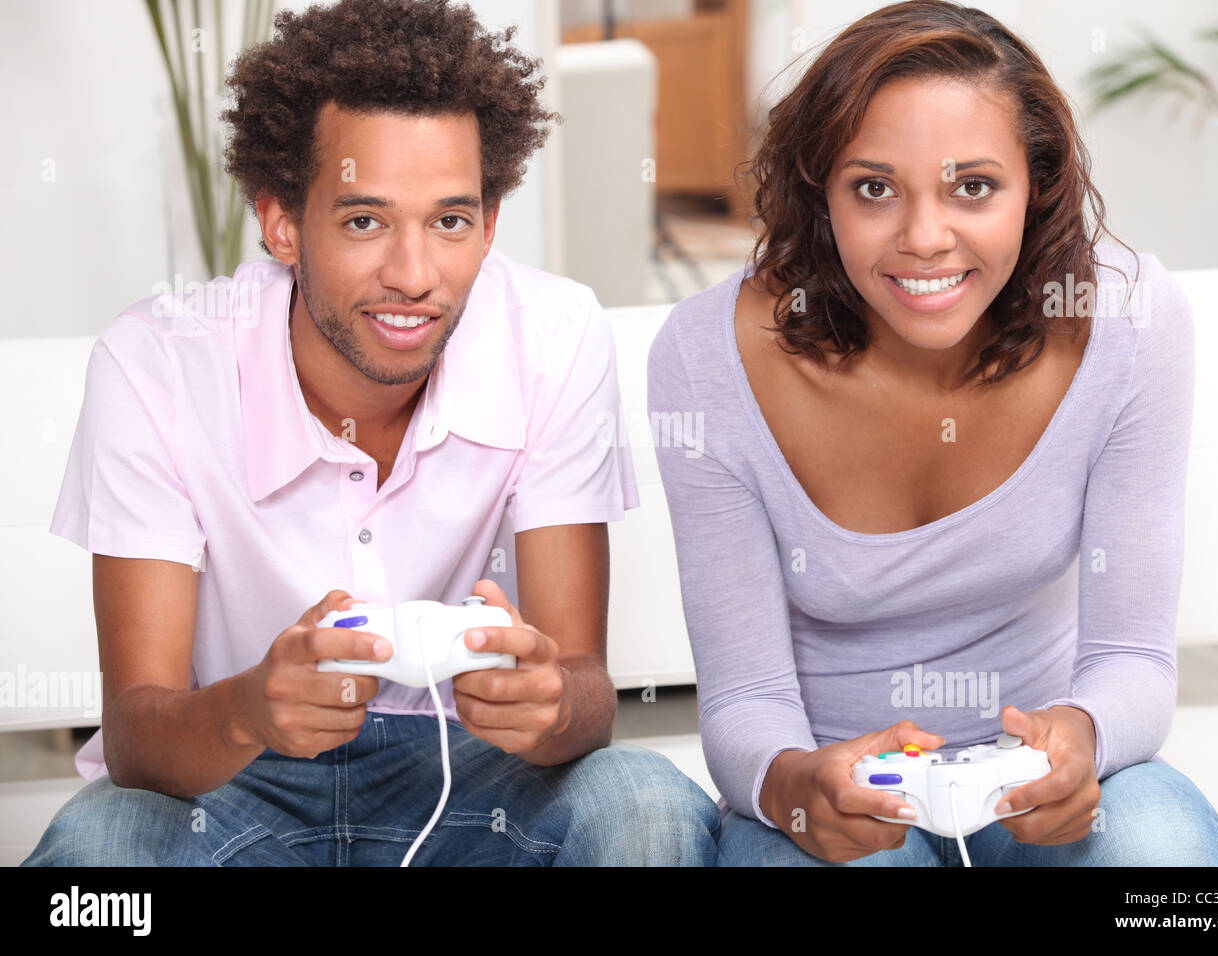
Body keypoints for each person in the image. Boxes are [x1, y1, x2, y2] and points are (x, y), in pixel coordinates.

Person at [24, 0, 719, 867]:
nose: (414, 276)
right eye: (364, 221)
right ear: (281, 221)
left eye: (451, 221)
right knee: (97, 853)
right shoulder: (157, 365)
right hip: (233, 783)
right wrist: (249, 708)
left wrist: (543, 704)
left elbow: (585, 694)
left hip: (471, 777)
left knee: (646, 808)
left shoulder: (554, 335)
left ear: (490, 224)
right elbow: (136, 735)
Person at [648, 0, 1218, 866]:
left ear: (1035, 186)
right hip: (844, 792)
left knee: (1158, 851)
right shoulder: (708, 358)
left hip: (1041, 775)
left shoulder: (1127, 322)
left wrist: (1081, 738)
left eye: (974, 186)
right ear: (820, 193)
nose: (925, 239)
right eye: (874, 188)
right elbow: (746, 702)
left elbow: (1131, 658)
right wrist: (797, 787)